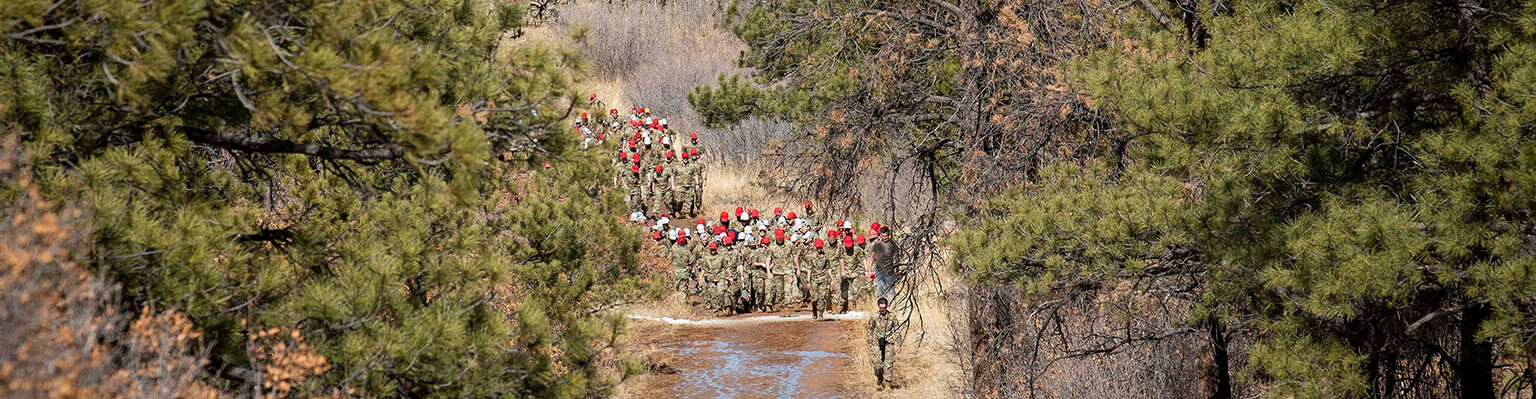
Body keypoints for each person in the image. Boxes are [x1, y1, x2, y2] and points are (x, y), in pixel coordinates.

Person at [866, 297, 903, 391]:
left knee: (888, 364)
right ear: (878, 307)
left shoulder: (892, 316)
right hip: (877, 343)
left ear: (887, 306)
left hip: (889, 343)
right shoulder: (874, 317)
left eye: (884, 308)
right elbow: (870, 330)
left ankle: (888, 384)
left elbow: (897, 330)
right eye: (881, 308)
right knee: (877, 365)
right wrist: (870, 344)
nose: (883, 310)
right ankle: (879, 379)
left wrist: (898, 344)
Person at [869, 225, 898, 302]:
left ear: (889, 235)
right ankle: (881, 306)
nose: (884, 237)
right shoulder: (876, 244)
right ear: (880, 235)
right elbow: (872, 257)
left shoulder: (893, 244)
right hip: (879, 270)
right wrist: (869, 269)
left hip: (889, 271)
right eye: (883, 236)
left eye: (886, 236)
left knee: (890, 290)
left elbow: (896, 258)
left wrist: (896, 269)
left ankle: (892, 306)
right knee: (880, 289)